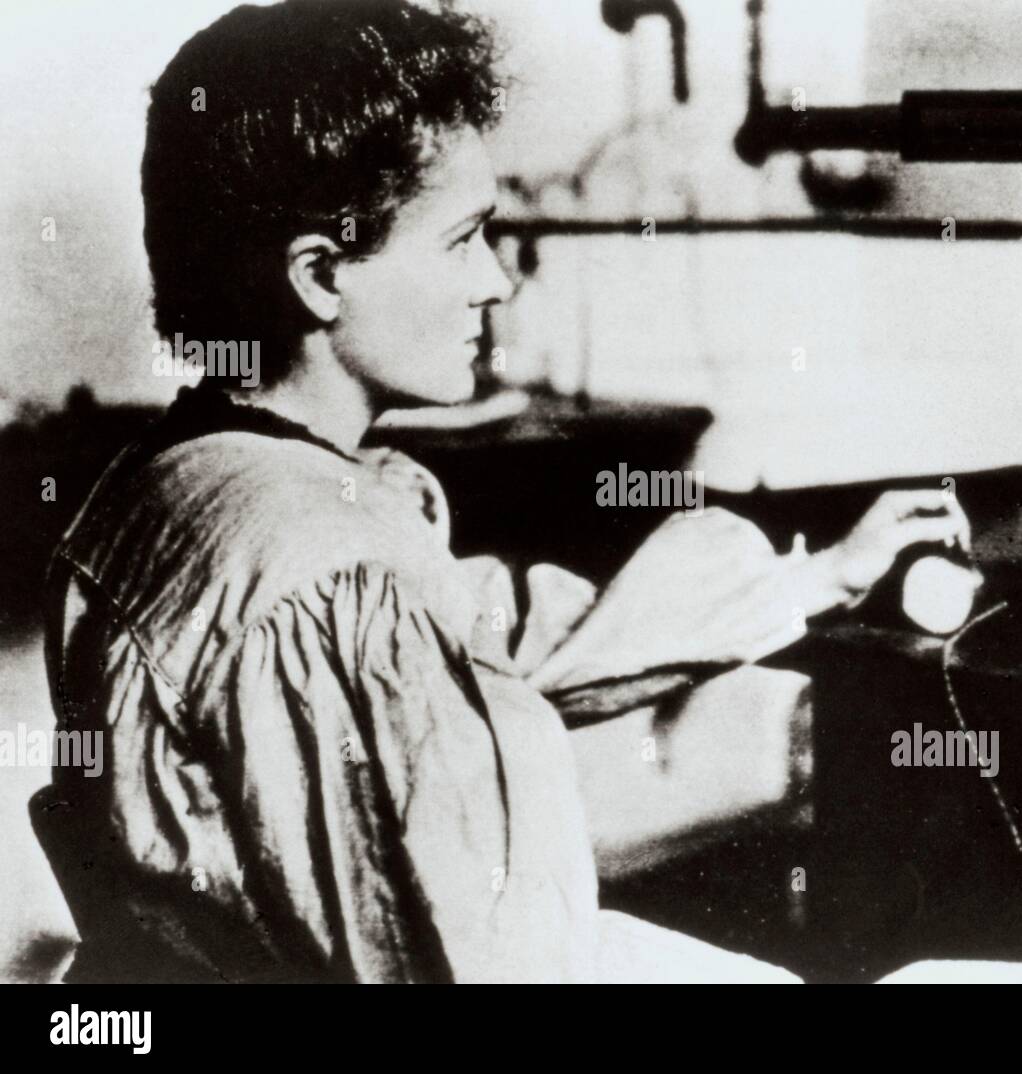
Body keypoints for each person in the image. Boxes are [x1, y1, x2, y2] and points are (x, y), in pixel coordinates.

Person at [36, 0, 970, 983]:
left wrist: (812, 580)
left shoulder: (168, 486)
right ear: (318, 276)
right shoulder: (333, 570)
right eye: (464, 239)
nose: (496, 282)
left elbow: (486, 667)